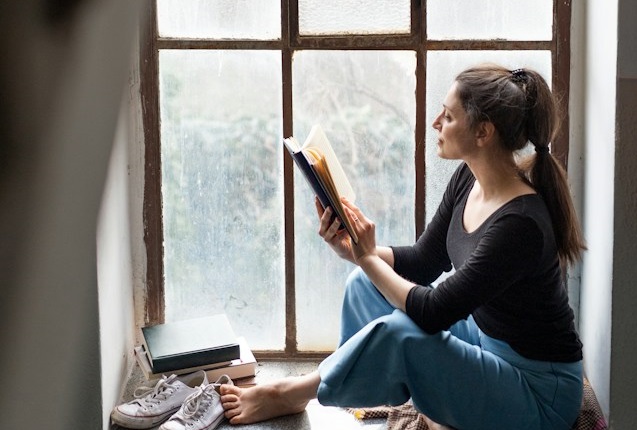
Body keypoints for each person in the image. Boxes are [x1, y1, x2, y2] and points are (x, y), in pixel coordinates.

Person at [220, 63, 586, 430]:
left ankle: (291, 393)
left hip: (538, 392)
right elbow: (425, 261)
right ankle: (387, 386)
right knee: (364, 285)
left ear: (483, 132)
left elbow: (433, 312)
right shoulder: (467, 179)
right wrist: (357, 252)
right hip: (484, 339)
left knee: (401, 331)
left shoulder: (520, 223)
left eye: (449, 116)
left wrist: (367, 257)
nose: (436, 123)